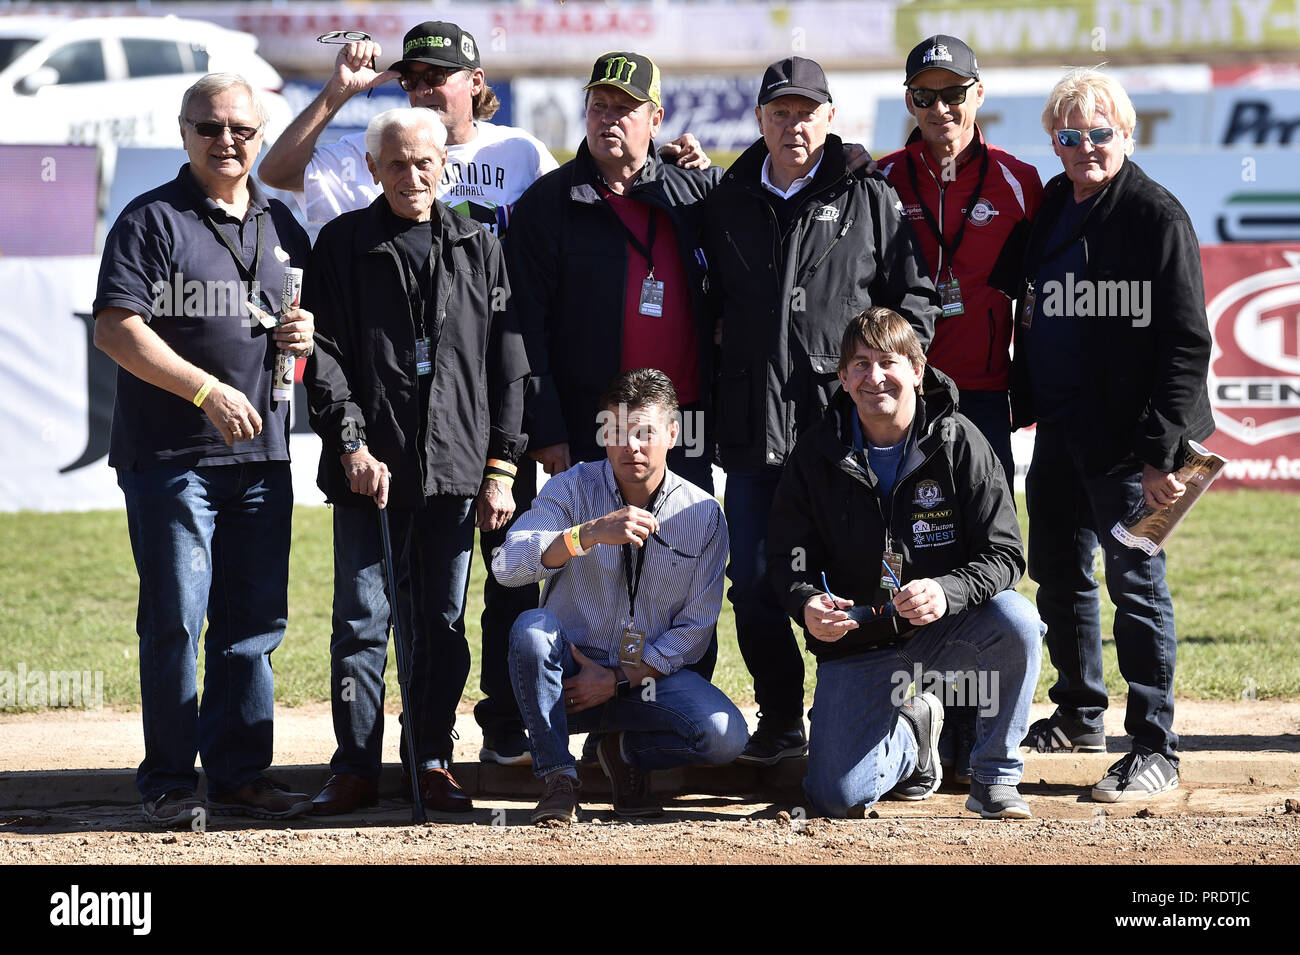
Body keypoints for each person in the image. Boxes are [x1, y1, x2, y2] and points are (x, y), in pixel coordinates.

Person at [260, 23, 707, 768]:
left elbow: (514, 327)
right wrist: (339, 88)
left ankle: (491, 730)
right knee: (371, 612)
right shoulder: (364, 179)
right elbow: (279, 171)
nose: (426, 89)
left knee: (500, 583)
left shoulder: (519, 156)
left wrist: (512, 443)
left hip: (483, 423)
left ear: (475, 81)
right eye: (413, 78)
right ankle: (363, 763)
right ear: (378, 166)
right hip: (405, 415)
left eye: (441, 76)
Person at [702, 55, 941, 765]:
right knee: (753, 581)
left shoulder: (870, 195)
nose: (793, 124)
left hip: (840, 431)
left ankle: (855, 715)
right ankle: (779, 718)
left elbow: (915, 298)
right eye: (780, 111)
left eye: (807, 111)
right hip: (751, 432)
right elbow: (708, 307)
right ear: (759, 120)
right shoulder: (728, 196)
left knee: (853, 576)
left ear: (830, 118)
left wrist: (888, 382)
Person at [92, 74, 314, 826]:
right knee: (177, 621)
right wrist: (205, 390)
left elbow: (305, 322)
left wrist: (304, 337)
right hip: (173, 456)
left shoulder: (282, 225)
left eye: (242, 130)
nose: (227, 141)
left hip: (265, 459)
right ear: (183, 132)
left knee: (254, 624)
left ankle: (241, 776)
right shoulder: (150, 218)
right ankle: (168, 783)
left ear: (260, 135)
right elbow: (116, 327)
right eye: (210, 127)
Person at [302, 107, 529, 814]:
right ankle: (356, 767)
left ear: (445, 166)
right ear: (373, 169)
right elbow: (325, 359)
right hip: (366, 471)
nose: (412, 175)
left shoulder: (479, 246)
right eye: (396, 163)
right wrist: (351, 444)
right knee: (360, 623)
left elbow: (509, 366)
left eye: (424, 162)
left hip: (457, 473)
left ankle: (431, 758)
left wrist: (503, 467)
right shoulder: (340, 245)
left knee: (441, 623)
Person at [1011, 69, 1214, 802]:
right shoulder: (1052, 202)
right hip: (1062, 433)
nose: (1085, 147)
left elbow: (1189, 344)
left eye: (1100, 133)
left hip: (1135, 447)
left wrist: (1163, 453)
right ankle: (1078, 711)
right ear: (1054, 143)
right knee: (1057, 571)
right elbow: (1021, 298)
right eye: (1069, 135)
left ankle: (1156, 748)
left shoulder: (1157, 215)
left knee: (1135, 585)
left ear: (1126, 135)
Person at [767, 308, 1042, 819]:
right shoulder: (815, 453)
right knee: (835, 798)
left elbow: (1007, 554)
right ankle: (916, 739)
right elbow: (785, 558)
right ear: (844, 378)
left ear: (917, 368)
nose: (875, 377)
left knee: (1018, 621)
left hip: (945, 633)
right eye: (860, 365)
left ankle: (994, 778)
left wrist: (947, 590)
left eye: (888, 362)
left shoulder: (962, 442)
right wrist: (807, 605)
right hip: (860, 636)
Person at [877, 34, 1043, 785]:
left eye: (953, 94)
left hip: (980, 395)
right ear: (907, 103)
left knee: (985, 554)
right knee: (904, 551)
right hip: (899, 401)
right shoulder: (877, 179)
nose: (940, 108)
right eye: (924, 96)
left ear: (980, 95)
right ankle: (912, 712)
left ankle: (980, 727)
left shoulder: (1021, 181)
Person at [493, 369, 747, 824]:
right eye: (618, 432)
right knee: (531, 630)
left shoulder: (705, 514)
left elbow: (694, 632)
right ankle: (559, 780)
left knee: (725, 737)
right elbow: (507, 566)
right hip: (568, 680)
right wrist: (585, 535)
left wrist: (617, 679)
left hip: (644, 680)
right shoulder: (572, 487)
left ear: (673, 433)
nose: (631, 446)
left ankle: (625, 752)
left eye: (645, 432)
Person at [506, 50, 720, 496]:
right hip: (595, 415)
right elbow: (525, 326)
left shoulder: (696, 192)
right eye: (598, 106)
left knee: (685, 540)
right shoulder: (547, 204)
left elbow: (774, 188)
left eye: (624, 108)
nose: (608, 119)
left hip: (684, 414)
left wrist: (841, 157)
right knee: (595, 552)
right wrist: (546, 426)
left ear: (655, 119)